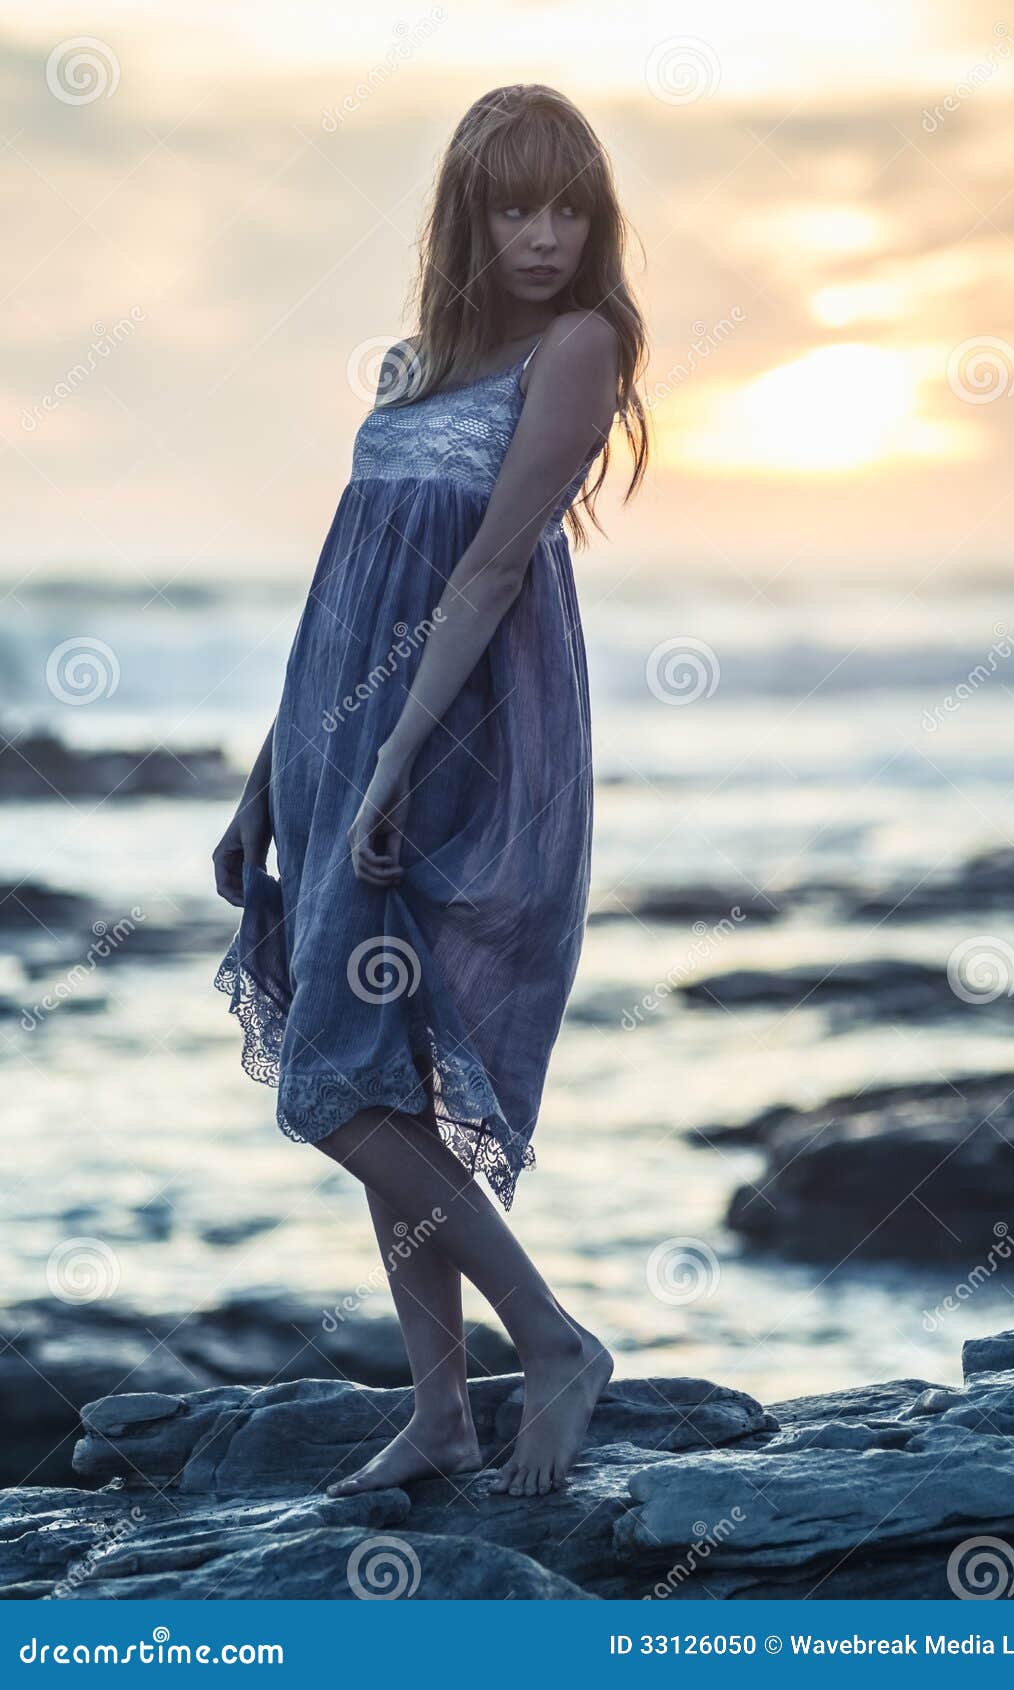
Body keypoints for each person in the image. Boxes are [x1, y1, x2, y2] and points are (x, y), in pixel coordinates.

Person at [213, 83, 649, 1498]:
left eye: (567, 205)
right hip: (348, 735)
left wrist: (394, 762)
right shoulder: (409, 367)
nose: (543, 234)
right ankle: (445, 1409)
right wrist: (268, 777)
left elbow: (492, 568)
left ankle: (553, 1339)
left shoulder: (579, 347)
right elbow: (340, 589)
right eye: (515, 204)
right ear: (468, 212)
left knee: (333, 1086)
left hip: (468, 739)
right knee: (374, 1073)